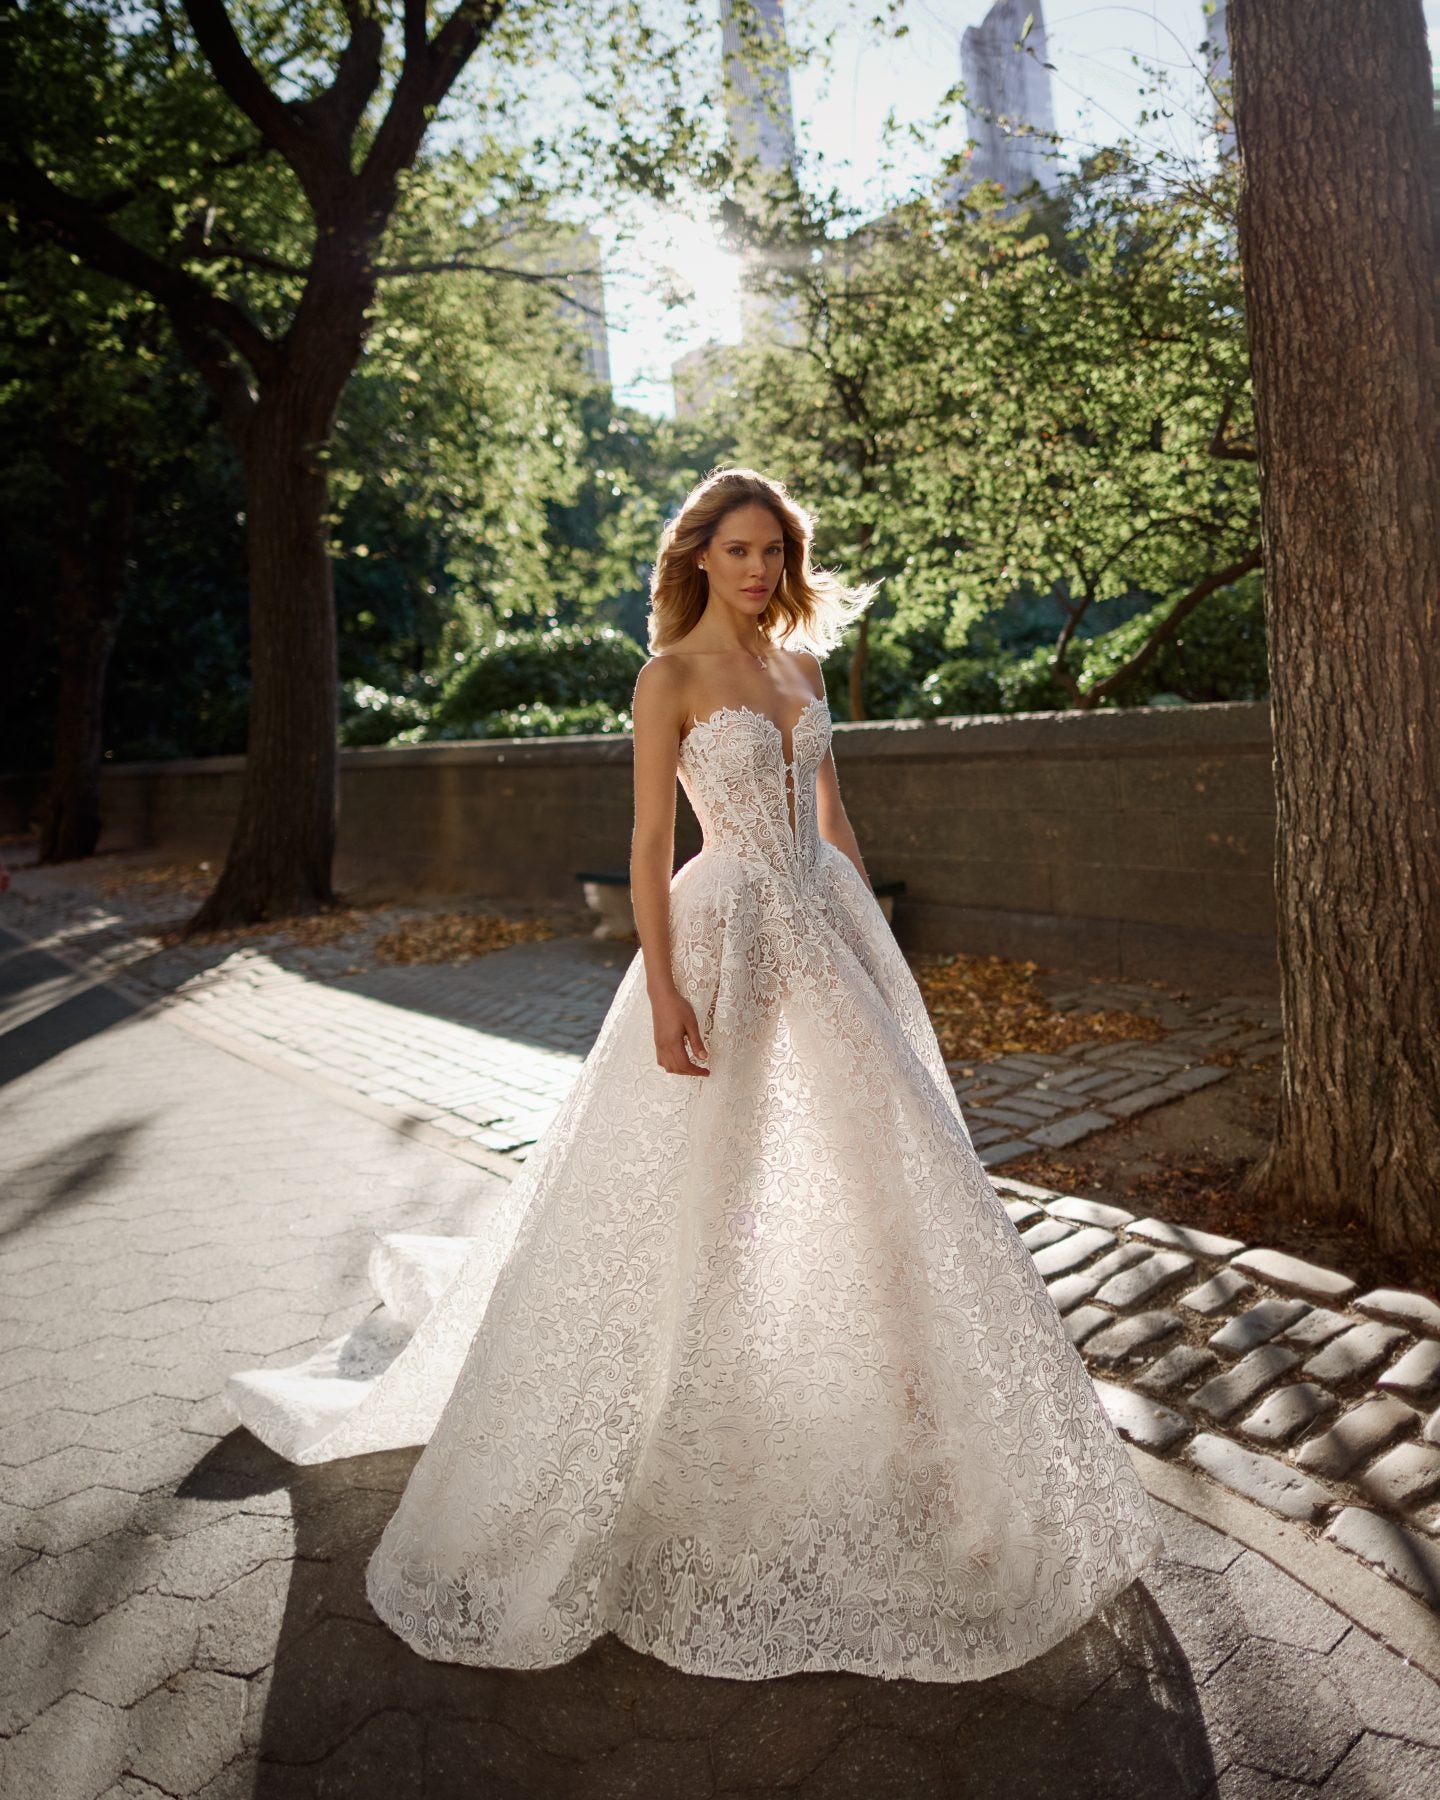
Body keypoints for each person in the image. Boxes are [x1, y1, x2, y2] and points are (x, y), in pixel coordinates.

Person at [223, 466, 1164, 1682]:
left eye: (775, 550)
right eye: (739, 550)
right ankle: (684, 1410)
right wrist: (664, 989)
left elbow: (835, 822)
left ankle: (925, 1428)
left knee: (888, 1178)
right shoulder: (667, 678)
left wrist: (874, 947)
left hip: (824, 932)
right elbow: (648, 844)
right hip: (721, 933)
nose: (761, 570)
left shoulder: (804, 670)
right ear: (699, 558)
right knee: (704, 1182)